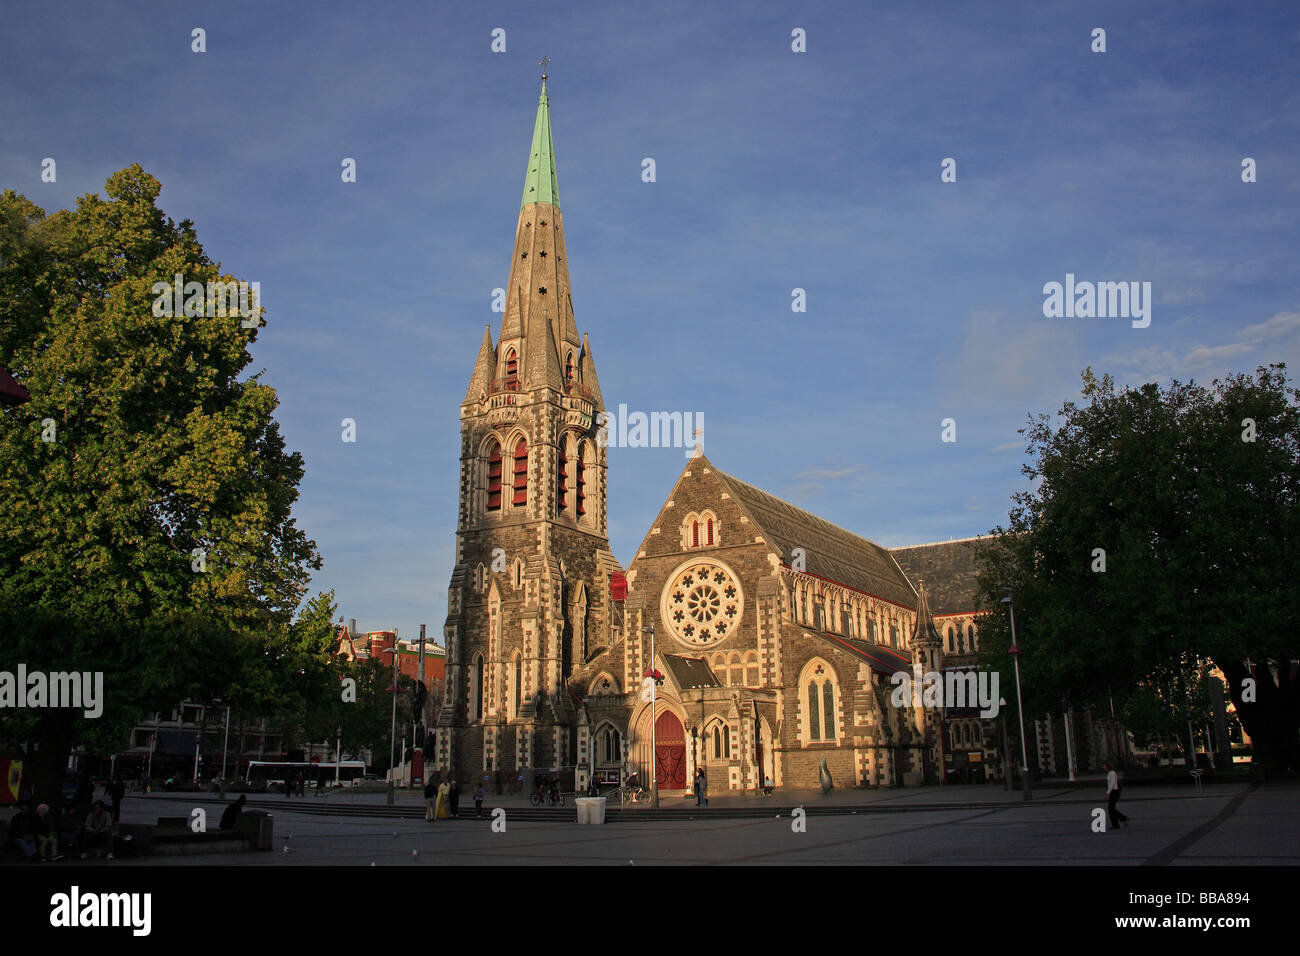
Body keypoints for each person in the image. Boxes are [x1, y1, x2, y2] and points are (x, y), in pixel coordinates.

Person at [1104, 761, 1128, 830]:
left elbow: (1112, 783)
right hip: (1113, 791)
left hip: (1114, 791)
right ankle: (1117, 823)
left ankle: (1122, 819)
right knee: (1111, 809)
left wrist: (1108, 792)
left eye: (1104, 766)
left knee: (1111, 809)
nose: (1103, 767)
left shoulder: (1112, 773)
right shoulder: (1110, 773)